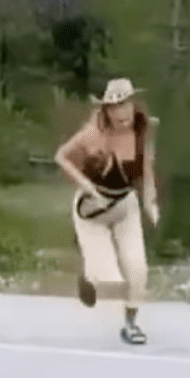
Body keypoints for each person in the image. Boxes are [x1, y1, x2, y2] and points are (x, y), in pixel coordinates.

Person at [54, 78, 160, 345]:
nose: (120, 112)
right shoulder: (93, 133)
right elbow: (61, 156)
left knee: (138, 271)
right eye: (113, 106)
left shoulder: (143, 129)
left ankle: (131, 325)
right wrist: (87, 186)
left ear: (132, 103)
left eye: (124, 104)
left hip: (125, 205)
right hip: (93, 209)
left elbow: (146, 169)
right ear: (106, 110)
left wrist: (150, 203)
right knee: (107, 279)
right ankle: (88, 278)